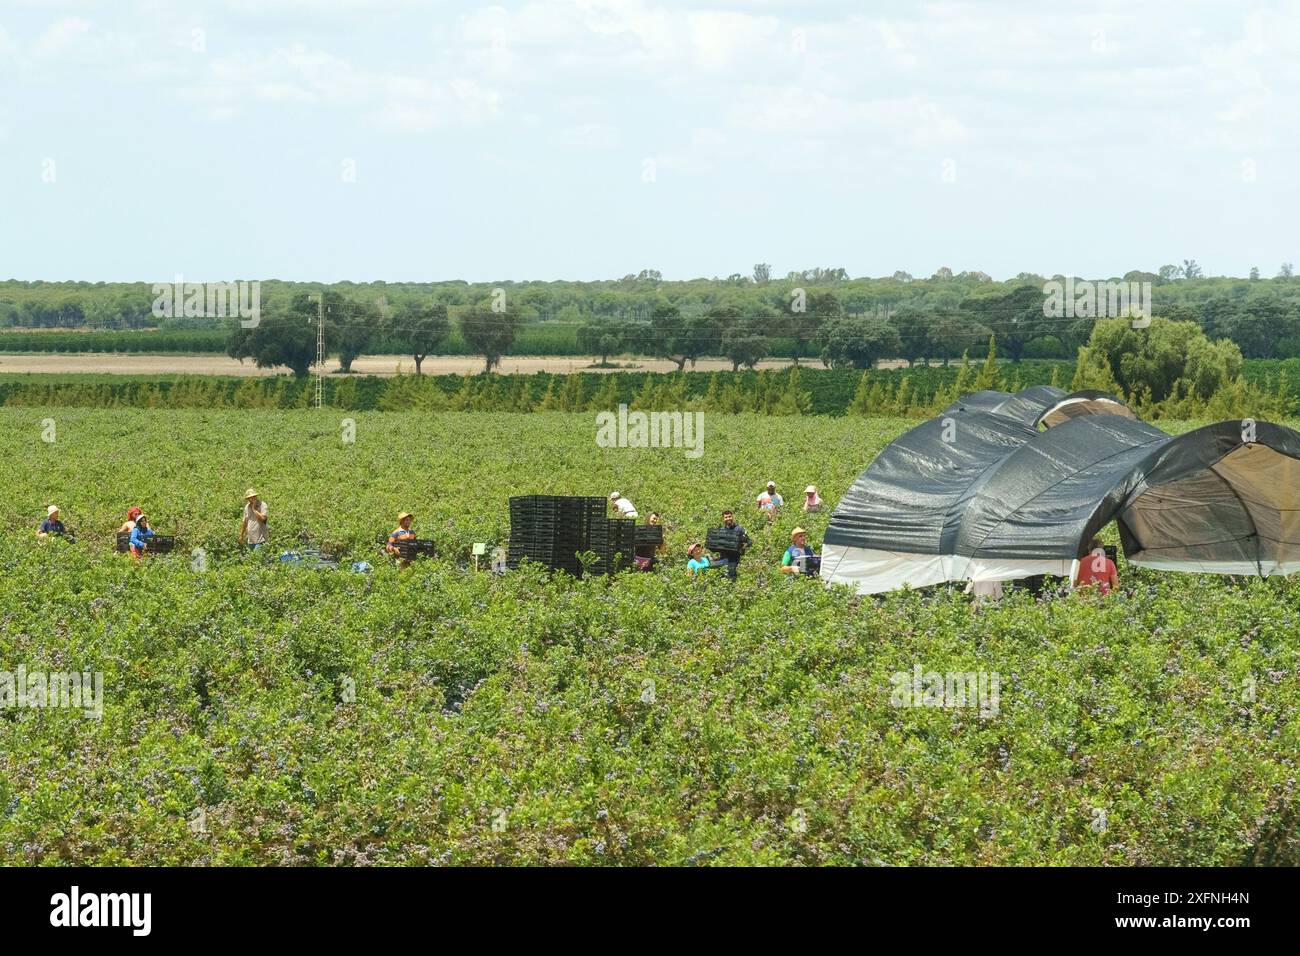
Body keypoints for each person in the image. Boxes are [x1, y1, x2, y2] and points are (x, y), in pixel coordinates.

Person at [713, 509, 752, 580]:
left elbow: (749, 542)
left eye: (729, 516)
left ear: (732, 517)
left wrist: (744, 546)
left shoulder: (739, 529)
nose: (728, 518)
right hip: (724, 557)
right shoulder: (721, 530)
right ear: (723, 519)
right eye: (726, 517)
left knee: (732, 575)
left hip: (735, 558)